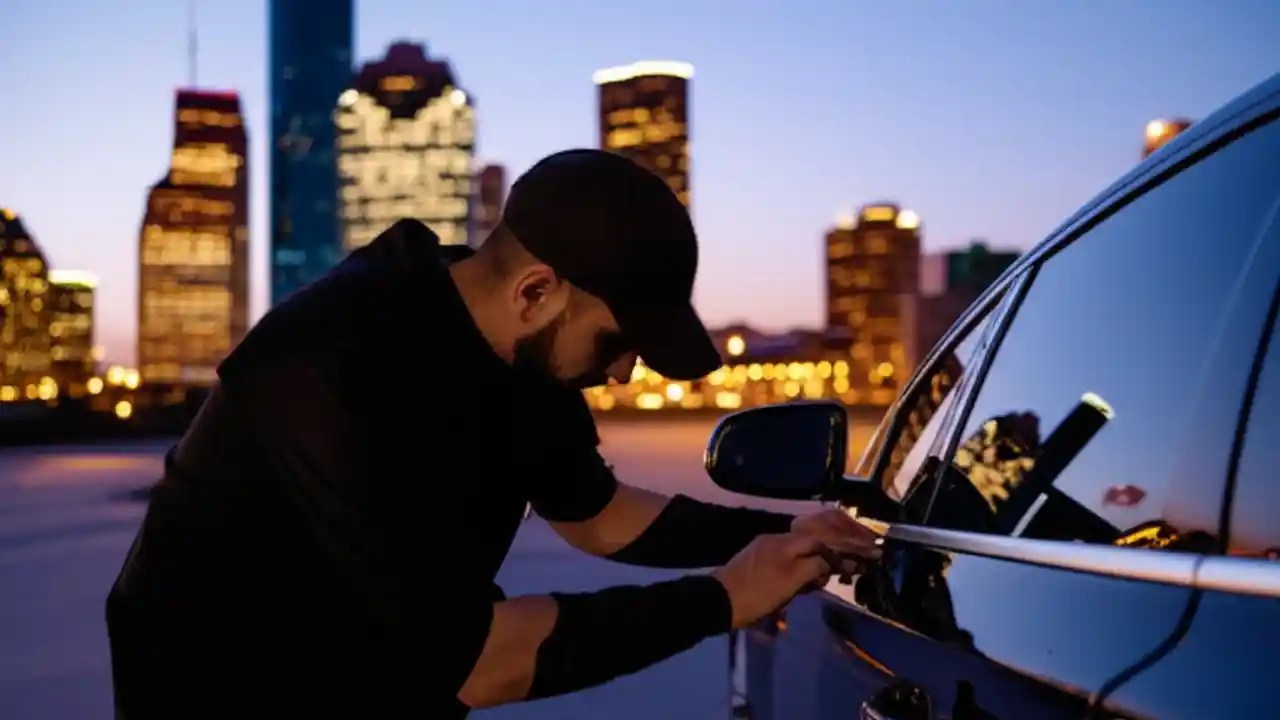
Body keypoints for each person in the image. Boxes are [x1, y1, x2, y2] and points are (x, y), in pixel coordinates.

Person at [104, 148, 881, 718]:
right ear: (537, 291)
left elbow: (599, 517)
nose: (621, 377)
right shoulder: (332, 367)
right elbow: (479, 663)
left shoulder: (516, 351)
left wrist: (789, 534)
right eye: (616, 344)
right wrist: (728, 596)